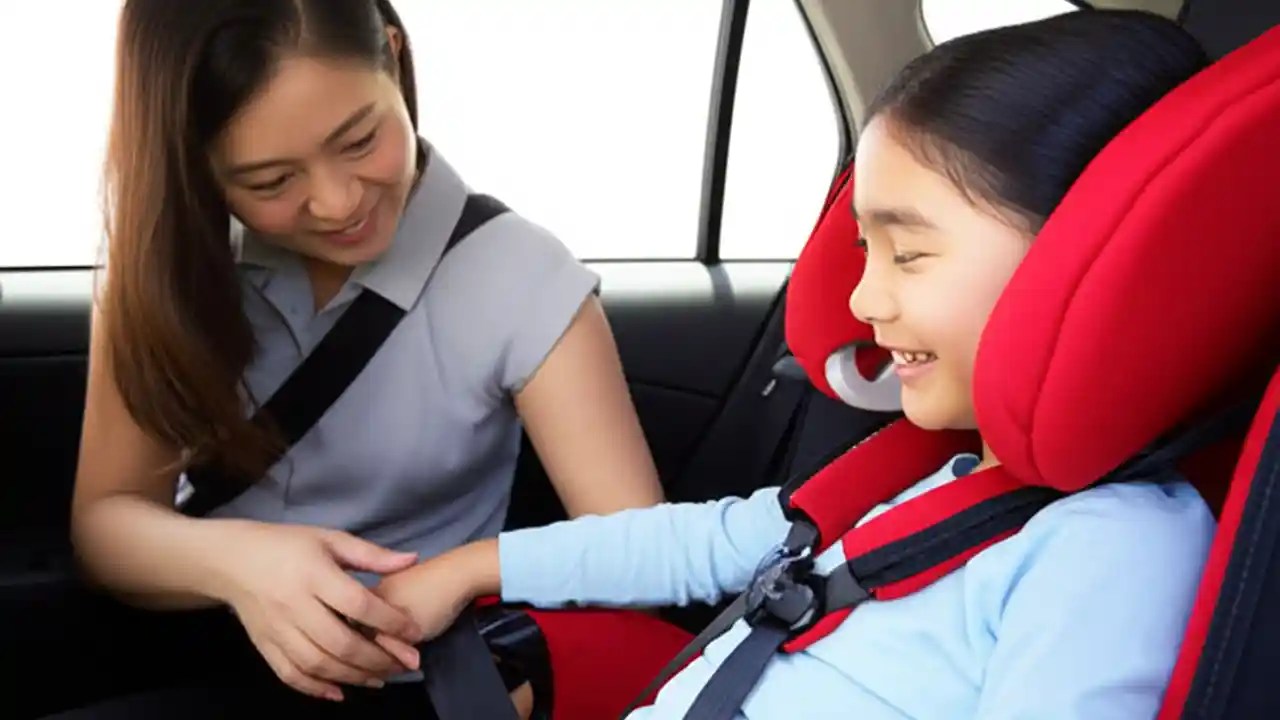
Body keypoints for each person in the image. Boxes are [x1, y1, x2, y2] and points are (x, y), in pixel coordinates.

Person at [374, 10, 1218, 719]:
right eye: (863, 250)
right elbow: (699, 542)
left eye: (910, 255)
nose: (861, 302)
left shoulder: (1112, 549)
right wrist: (470, 567)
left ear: (1093, 272)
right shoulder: (933, 472)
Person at [64, 0, 662, 716]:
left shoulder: (521, 276)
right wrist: (245, 564)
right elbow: (106, 522)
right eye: (271, 182)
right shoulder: (171, 268)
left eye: (358, 140)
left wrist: (472, 591)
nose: (339, 201)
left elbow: (641, 556)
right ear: (196, 163)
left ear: (394, 53)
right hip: (189, 654)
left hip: (413, 679)